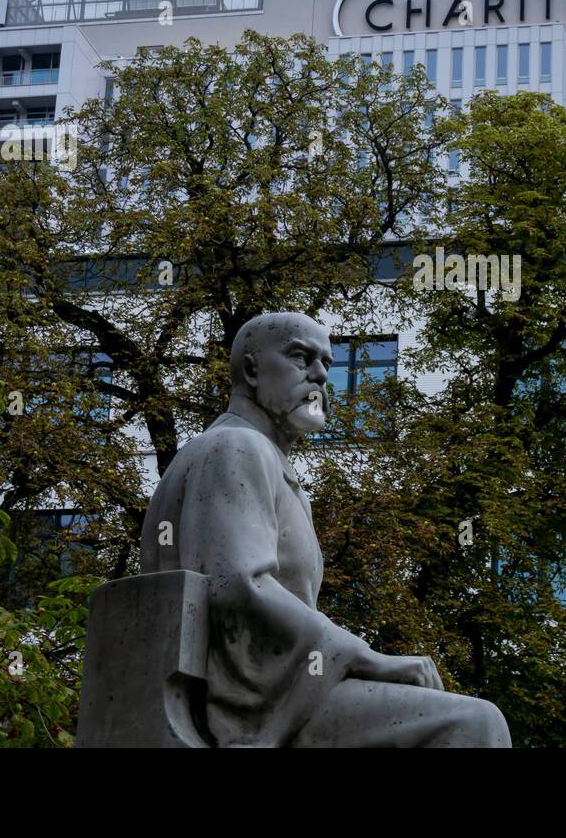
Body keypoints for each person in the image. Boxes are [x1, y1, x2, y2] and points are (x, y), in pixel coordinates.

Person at [140, 311, 511, 748]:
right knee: (473, 724)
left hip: (284, 692)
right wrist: (369, 659)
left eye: (326, 365)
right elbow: (238, 586)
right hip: (251, 709)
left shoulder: (270, 464)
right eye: (301, 357)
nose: (319, 374)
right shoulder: (234, 447)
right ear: (252, 369)